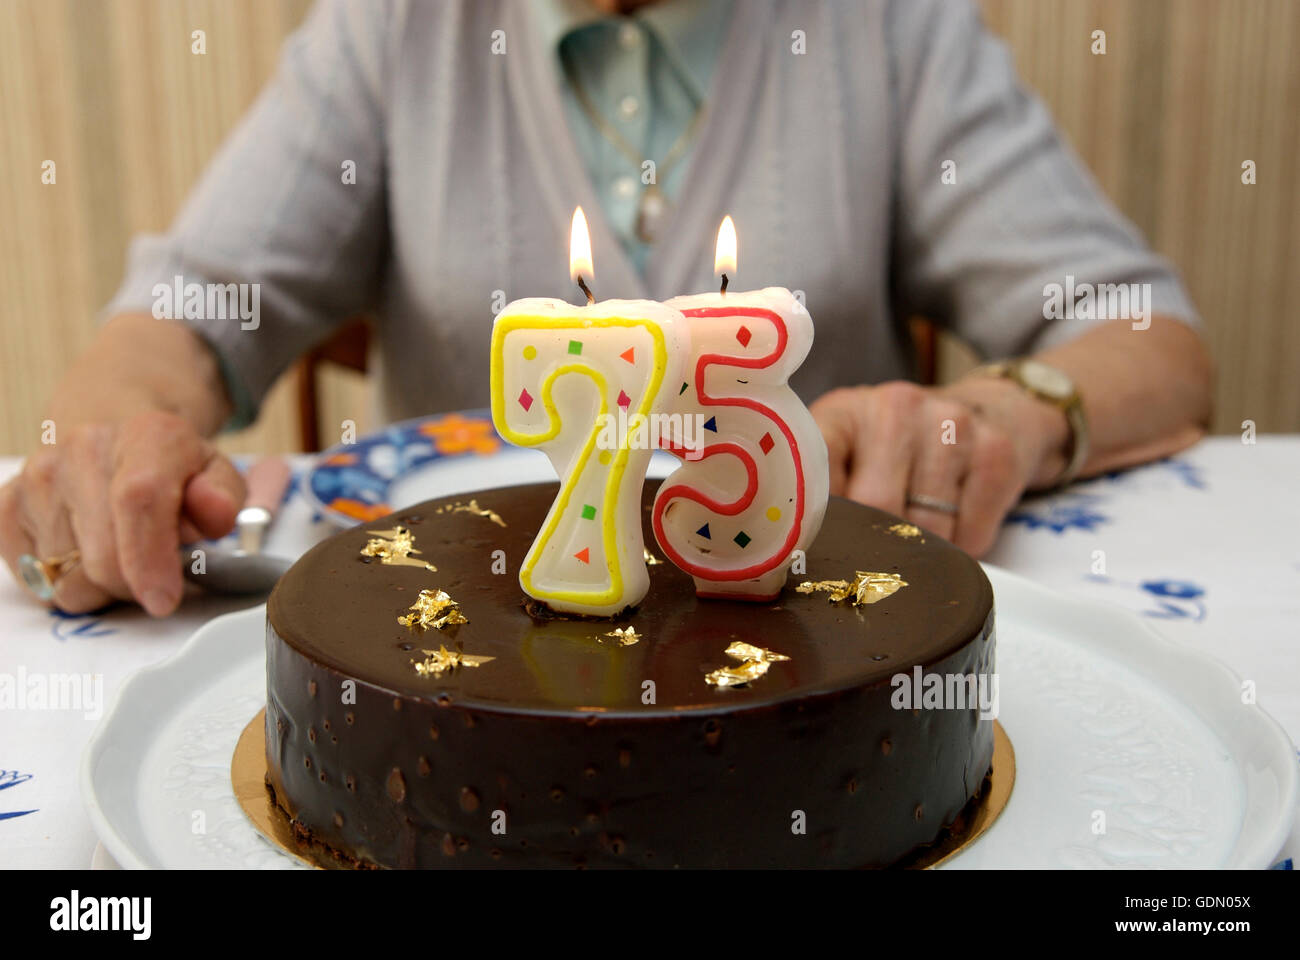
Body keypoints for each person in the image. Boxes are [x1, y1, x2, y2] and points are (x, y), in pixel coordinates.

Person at [0, 0, 1211, 617]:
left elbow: (1140, 332)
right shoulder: (396, 28)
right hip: (479, 660)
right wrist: (122, 441)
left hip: (800, 652)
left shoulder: (884, 25)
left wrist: (1000, 414)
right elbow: (184, 311)